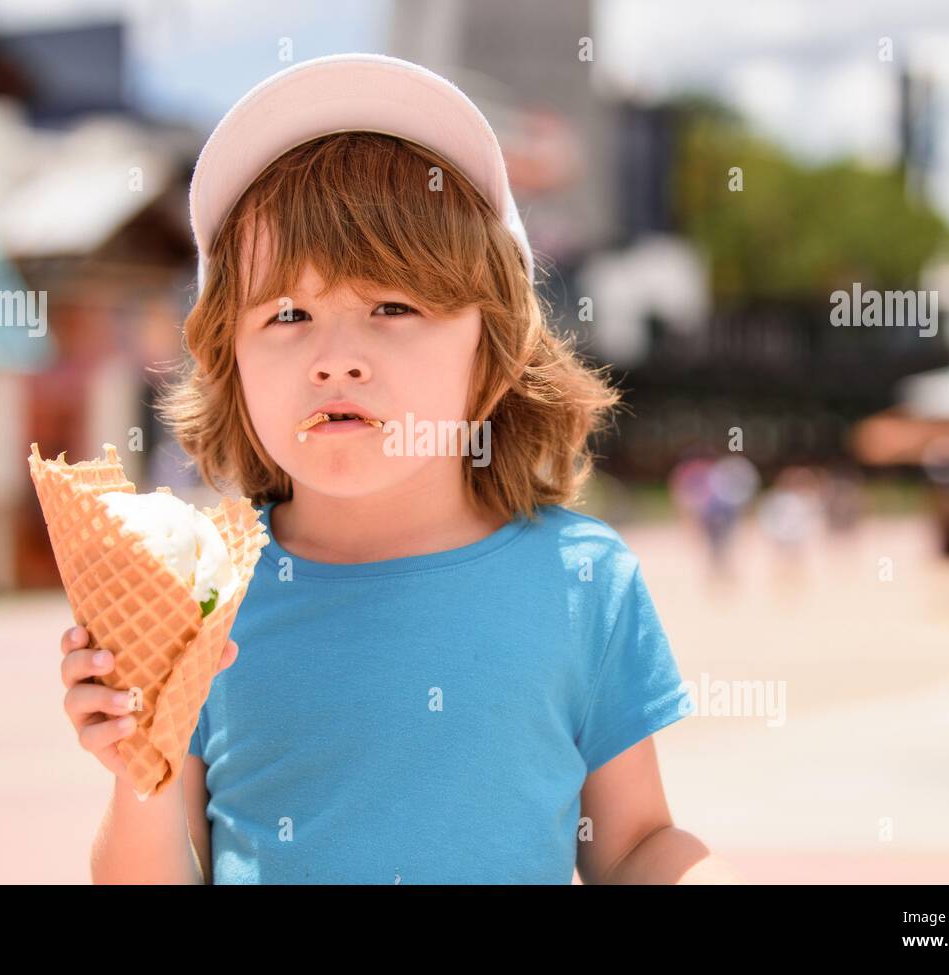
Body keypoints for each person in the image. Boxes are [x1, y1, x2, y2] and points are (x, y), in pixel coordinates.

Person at [59, 53, 740, 885]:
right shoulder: (201, 601)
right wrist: (141, 768)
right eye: (287, 313)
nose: (335, 358)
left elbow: (634, 845)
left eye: (392, 307)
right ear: (227, 362)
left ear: (492, 353)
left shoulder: (582, 584)